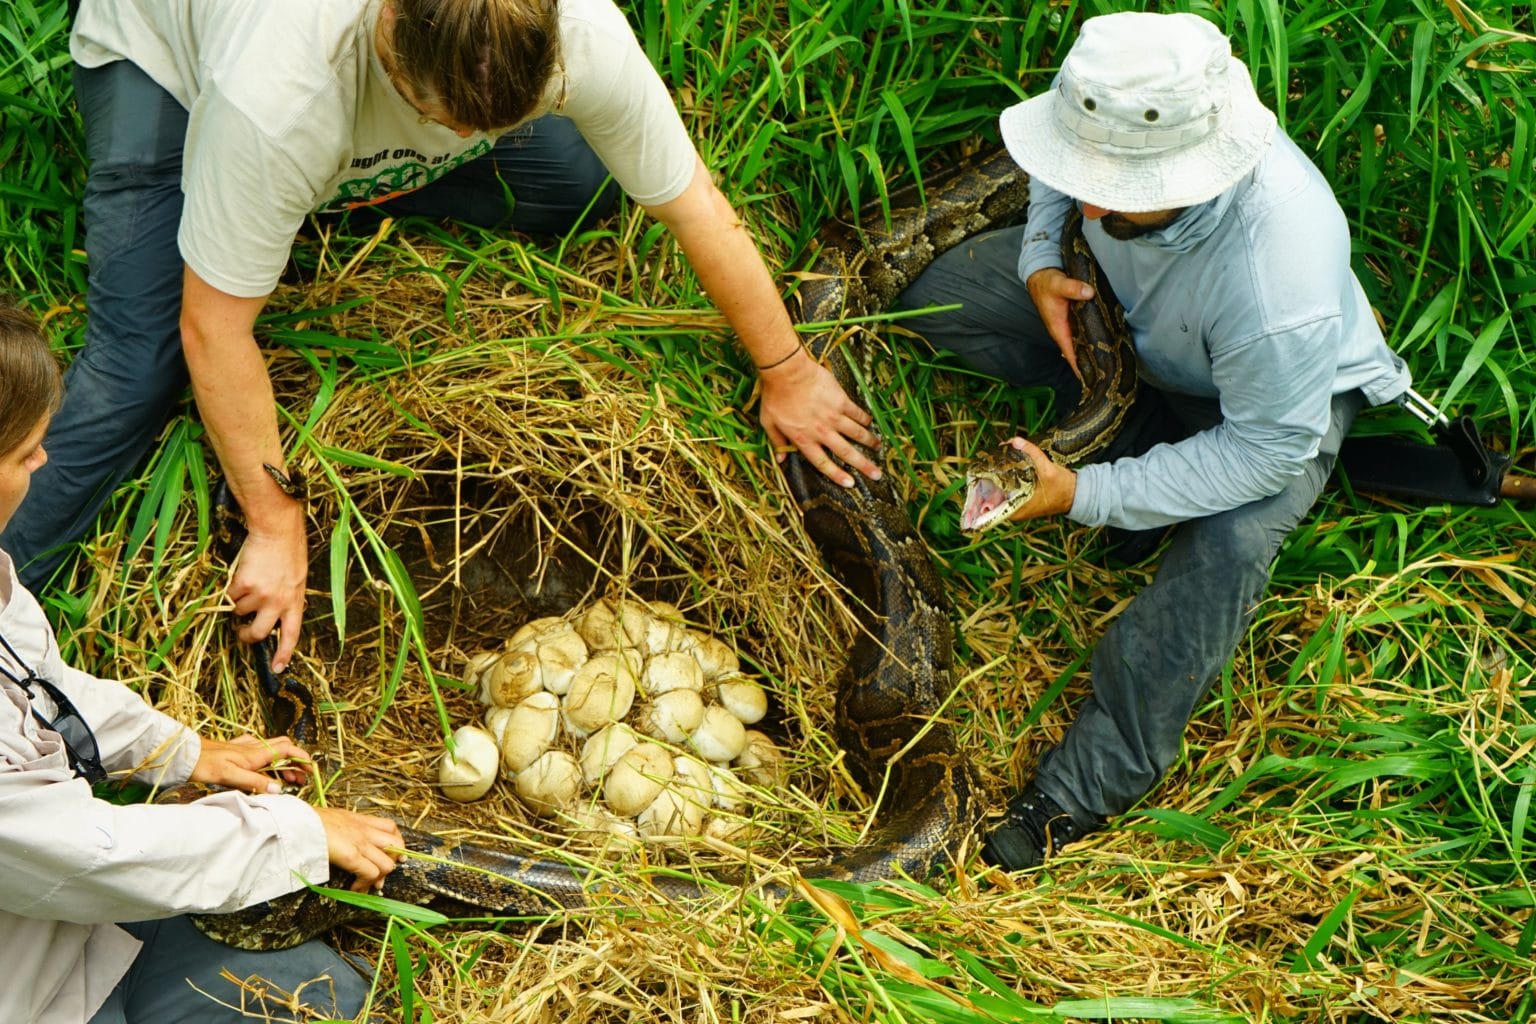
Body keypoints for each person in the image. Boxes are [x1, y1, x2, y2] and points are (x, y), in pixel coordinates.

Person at [3, 0, 882, 672]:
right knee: (142, 361)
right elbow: (212, 330)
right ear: (388, 29)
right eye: (443, 117)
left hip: (335, 121)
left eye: (488, 125)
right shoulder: (279, 90)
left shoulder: (570, 29)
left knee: (579, 185)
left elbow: (690, 201)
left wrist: (788, 366)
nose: (464, 136)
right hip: (167, 66)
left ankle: (285, 212)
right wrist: (274, 521)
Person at [893, 12, 1412, 870]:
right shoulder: (1113, 141)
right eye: (1083, 172)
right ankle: (1132, 439)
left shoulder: (1278, 277)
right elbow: (1061, 180)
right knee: (943, 294)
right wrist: (1035, 262)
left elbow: (1262, 453)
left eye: (1120, 187)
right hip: (1141, 335)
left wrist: (1082, 496)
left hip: (1268, 410)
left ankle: (1084, 786)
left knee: (1231, 542)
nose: (1091, 203)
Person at [0, 302, 405, 1021]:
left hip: (81, 934)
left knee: (322, 995)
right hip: (26, 991)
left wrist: (185, 752)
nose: (44, 461)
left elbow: (47, 688)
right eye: (23, 450)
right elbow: (85, 853)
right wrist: (300, 833)